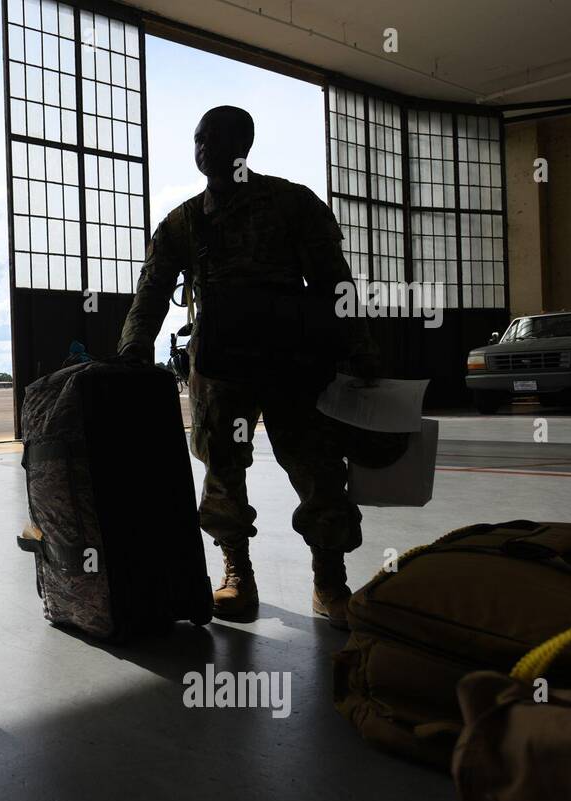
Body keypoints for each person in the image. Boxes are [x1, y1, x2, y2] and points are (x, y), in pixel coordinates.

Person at [118, 105, 379, 629]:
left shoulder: (291, 203)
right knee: (222, 470)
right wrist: (131, 354)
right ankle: (237, 571)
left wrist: (360, 344)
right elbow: (150, 294)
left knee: (318, 468)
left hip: (294, 362)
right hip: (220, 369)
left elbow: (335, 280)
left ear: (246, 143)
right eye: (197, 138)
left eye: (216, 137)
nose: (204, 148)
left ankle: (330, 579)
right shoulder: (183, 222)